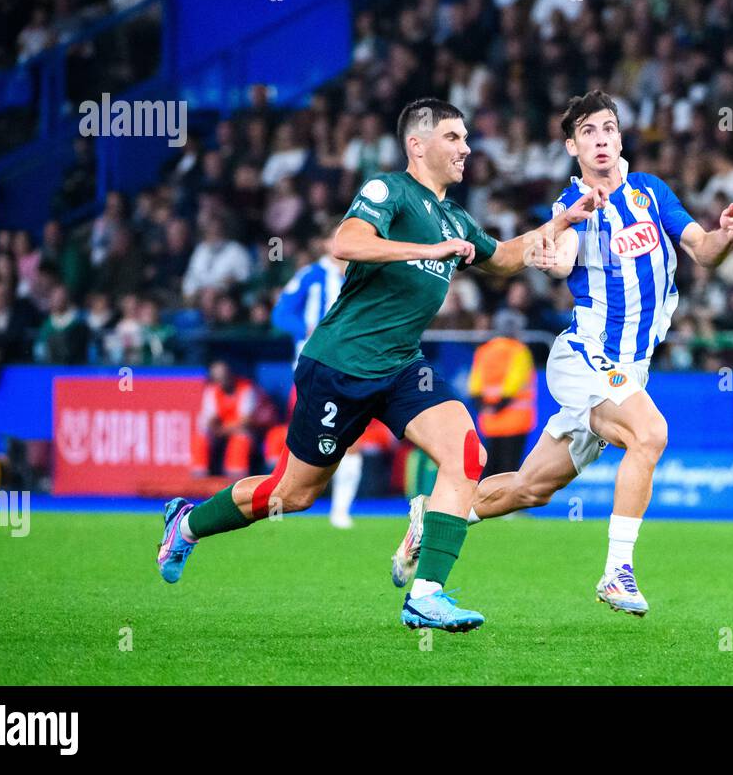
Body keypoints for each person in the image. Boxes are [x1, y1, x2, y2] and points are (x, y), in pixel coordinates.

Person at [156, 97, 600, 633]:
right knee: (290, 494)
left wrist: (558, 223)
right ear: (418, 145)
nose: (466, 148)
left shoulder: (454, 217)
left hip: (400, 368)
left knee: (466, 451)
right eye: (453, 138)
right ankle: (187, 523)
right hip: (339, 365)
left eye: (465, 138)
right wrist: (424, 249)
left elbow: (503, 259)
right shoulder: (388, 191)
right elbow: (347, 240)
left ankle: (427, 594)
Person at [396, 90, 733, 617]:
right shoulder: (572, 205)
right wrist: (549, 252)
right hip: (584, 356)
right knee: (650, 433)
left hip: (629, 371)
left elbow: (703, 250)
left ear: (620, 138)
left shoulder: (651, 194)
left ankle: (434, 516)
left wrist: (728, 234)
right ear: (572, 146)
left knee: (528, 489)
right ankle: (617, 573)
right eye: (588, 131)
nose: (601, 138)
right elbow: (561, 260)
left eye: (608, 128)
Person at [271, 235, 358, 529]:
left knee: (352, 440)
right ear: (324, 243)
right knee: (299, 438)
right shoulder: (311, 275)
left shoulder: (361, 275)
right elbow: (281, 314)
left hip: (352, 369)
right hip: (313, 370)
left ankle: (341, 512)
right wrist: (307, 329)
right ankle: (276, 498)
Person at [467, 318, 537, 480]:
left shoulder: (484, 350)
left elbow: (474, 383)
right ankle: (507, 505)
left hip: (490, 420)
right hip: (515, 421)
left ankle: (482, 502)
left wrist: (484, 405)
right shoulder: (519, 350)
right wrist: (501, 403)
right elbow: (515, 380)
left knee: (489, 467)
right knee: (509, 469)